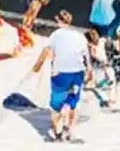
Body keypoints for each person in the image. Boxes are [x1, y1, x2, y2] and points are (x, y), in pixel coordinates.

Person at [31, 10, 87, 143]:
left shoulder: (55, 35)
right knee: (73, 103)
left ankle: (57, 132)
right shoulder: (79, 36)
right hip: (77, 73)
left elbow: (46, 51)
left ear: (58, 21)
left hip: (61, 73)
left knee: (56, 105)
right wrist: (89, 71)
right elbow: (86, 56)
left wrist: (37, 66)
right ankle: (70, 131)